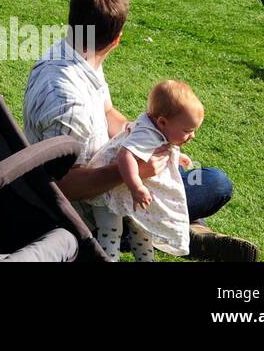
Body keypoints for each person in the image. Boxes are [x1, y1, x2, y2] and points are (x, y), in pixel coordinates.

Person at [22, 0, 257, 261]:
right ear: (116, 39)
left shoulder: (72, 52)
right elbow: (64, 186)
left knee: (185, 178)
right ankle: (172, 230)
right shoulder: (68, 100)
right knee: (216, 184)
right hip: (95, 209)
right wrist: (135, 173)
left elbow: (108, 112)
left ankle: (191, 229)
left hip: (116, 171)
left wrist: (152, 142)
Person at [86, 79, 205, 262]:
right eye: (187, 130)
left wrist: (176, 156)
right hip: (107, 188)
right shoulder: (146, 134)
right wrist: (136, 187)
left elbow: (163, 145)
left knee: (142, 227)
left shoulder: (159, 128)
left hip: (125, 188)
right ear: (163, 122)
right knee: (111, 230)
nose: (192, 136)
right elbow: (125, 156)